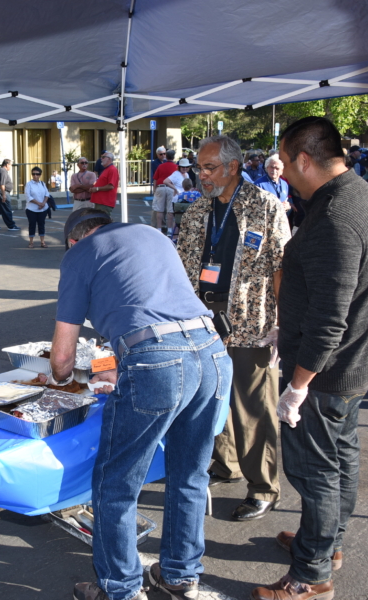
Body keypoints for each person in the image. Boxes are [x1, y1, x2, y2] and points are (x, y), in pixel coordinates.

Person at [58, 210, 231, 600]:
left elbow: (62, 360)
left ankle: (120, 588)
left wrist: (65, 379)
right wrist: (113, 366)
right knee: (189, 474)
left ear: (73, 241)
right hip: (212, 352)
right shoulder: (151, 235)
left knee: (116, 484)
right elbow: (155, 314)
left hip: (158, 362)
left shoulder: (79, 254)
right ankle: (180, 576)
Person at [252, 117, 368, 600]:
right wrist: (286, 324)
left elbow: (330, 318)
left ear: (305, 160)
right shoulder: (363, 196)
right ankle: (325, 544)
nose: (282, 172)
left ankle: (311, 574)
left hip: (328, 372)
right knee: (340, 458)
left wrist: (298, 386)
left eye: (286, 163)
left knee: (316, 472)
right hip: (356, 360)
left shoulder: (335, 218)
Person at [177, 135, 290, 522]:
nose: (202, 175)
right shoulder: (198, 209)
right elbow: (182, 262)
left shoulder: (265, 207)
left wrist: (282, 324)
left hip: (250, 320)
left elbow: (282, 268)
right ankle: (226, 464)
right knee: (212, 395)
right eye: (199, 168)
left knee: (253, 405)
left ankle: (263, 488)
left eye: (209, 168)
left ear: (233, 167)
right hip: (203, 317)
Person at [151, 151, 179, 234]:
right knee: (170, 210)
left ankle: (159, 228)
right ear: (173, 157)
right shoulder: (176, 167)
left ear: (166, 156)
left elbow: (155, 179)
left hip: (160, 187)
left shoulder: (160, 166)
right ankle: (169, 229)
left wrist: (154, 189)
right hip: (171, 188)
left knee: (160, 210)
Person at [0, 158, 20, 231]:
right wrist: (4, 194)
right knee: (6, 209)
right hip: (2, 192)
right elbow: (2, 184)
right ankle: (11, 225)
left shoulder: (1, 170)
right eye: (11, 165)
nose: (11, 167)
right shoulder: (3, 171)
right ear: (7, 164)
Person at [24, 166, 50, 248]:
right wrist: (39, 203)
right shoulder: (29, 184)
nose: (35, 176)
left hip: (42, 209)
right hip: (31, 208)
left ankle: (42, 242)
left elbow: (47, 194)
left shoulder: (42, 183)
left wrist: (43, 203)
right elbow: (28, 196)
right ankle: (31, 242)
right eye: (33, 174)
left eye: (37, 174)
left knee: (41, 224)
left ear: (40, 175)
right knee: (32, 225)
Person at [90, 151, 119, 217]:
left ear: (109, 159)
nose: (101, 159)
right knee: (99, 220)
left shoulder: (112, 169)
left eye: (103, 157)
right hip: (101, 202)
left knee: (102, 220)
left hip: (105, 203)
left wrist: (97, 188)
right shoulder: (106, 169)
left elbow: (111, 186)